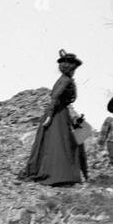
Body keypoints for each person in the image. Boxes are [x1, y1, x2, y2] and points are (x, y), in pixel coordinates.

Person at [24, 50, 84, 186]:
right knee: (61, 142)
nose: (74, 70)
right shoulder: (66, 80)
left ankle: (57, 173)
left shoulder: (63, 79)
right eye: (73, 68)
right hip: (58, 113)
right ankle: (60, 175)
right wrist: (50, 115)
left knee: (55, 142)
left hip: (60, 112)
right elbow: (55, 97)